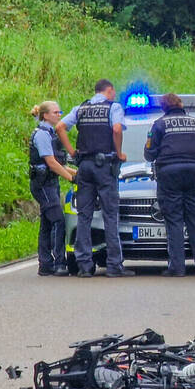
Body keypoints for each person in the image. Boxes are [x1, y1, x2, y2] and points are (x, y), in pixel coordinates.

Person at [55, 78, 135, 278]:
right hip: (104, 166)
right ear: (109, 90)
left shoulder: (81, 108)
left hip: (84, 166)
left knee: (84, 215)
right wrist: (119, 152)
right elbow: (117, 129)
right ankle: (114, 265)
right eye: (113, 92)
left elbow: (60, 128)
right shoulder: (113, 107)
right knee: (110, 215)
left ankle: (84, 266)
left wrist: (72, 152)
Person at [144, 93, 195, 277]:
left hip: (170, 174)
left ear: (164, 108)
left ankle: (177, 268)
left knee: (174, 220)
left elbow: (149, 153)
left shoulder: (159, 124)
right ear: (180, 104)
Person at [29, 101, 77, 277]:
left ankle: (45, 264)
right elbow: (50, 162)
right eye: (56, 112)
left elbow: (60, 163)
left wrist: (78, 174)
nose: (59, 115)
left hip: (50, 182)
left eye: (60, 111)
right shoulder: (42, 135)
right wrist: (71, 178)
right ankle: (59, 263)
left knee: (47, 223)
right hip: (43, 185)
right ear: (46, 115)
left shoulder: (50, 134)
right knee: (58, 220)